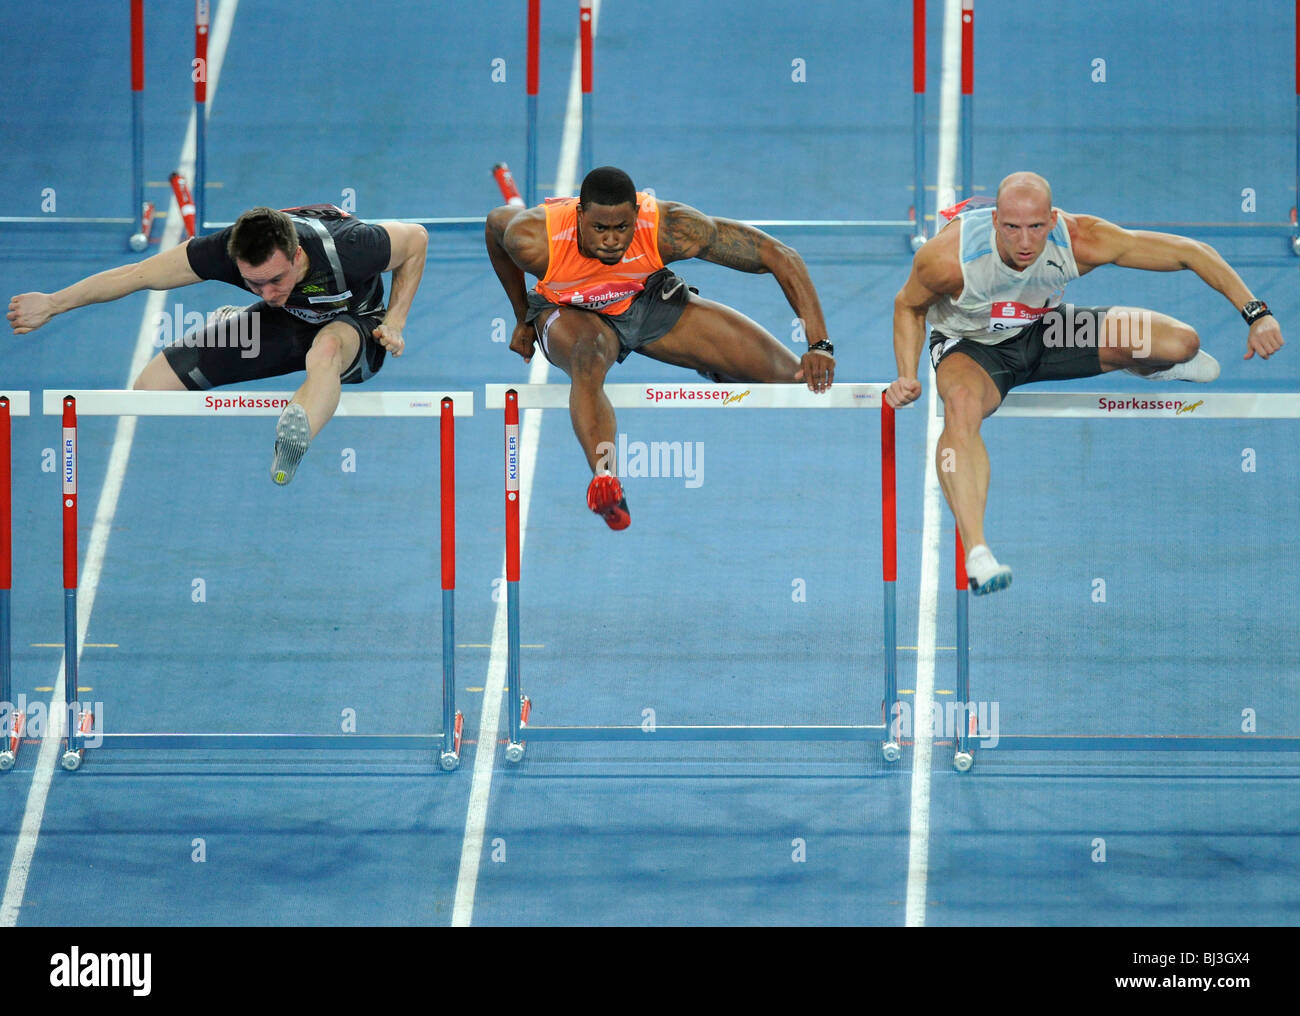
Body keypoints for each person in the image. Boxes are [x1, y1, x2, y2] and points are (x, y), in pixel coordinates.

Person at [887, 171, 1285, 594]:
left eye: (1037, 227)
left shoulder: (1080, 239)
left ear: (1053, 220)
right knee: (961, 407)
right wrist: (907, 375)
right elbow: (907, 306)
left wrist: (1256, 313)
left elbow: (1191, 252)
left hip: (1049, 330)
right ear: (994, 221)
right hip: (973, 349)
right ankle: (978, 552)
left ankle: (1142, 364)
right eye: (1012, 227)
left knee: (1182, 343)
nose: (1025, 242)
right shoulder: (950, 259)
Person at [486, 165, 835, 530]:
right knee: (588, 357)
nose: (611, 240)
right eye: (599, 229)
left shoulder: (673, 229)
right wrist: (522, 316)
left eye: (622, 228)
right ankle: (606, 480)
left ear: (637, 216)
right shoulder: (534, 237)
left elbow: (779, 255)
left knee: (790, 377)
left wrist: (819, 343)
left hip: (645, 300)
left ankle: (711, 364)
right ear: (578, 217)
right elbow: (495, 225)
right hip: (570, 313)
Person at [7, 205, 428, 485]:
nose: (264, 290)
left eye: (274, 279)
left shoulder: (351, 247)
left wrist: (395, 320)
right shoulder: (224, 252)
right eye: (253, 282)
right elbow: (136, 275)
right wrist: (53, 303)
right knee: (149, 392)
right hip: (286, 322)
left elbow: (417, 239)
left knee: (326, 350)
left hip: (355, 327)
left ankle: (292, 441)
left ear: (298, 256)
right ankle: (233, 322)